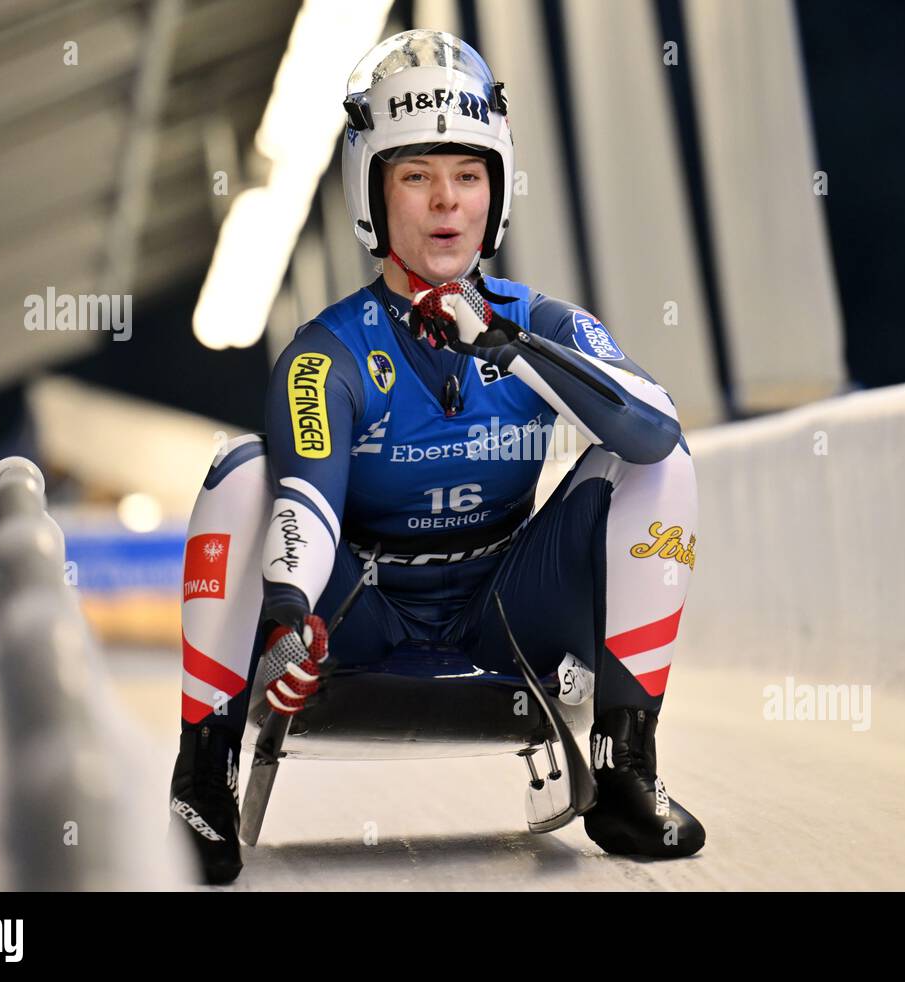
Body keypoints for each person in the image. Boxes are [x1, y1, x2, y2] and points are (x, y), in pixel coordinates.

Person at [169, 29, 704, 884]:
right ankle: (202, 778)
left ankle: (626, 770)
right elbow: (303, 495)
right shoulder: (325, 353)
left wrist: (509, 345)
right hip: (358, 611)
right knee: (239, 469)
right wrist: (283, 618)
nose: (446, 203)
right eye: (416, 176)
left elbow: (653, 429)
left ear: (496, 193)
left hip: (505, 604)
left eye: (468, 175)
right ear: (373, 198)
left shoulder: (546, 324)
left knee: (662, 469)